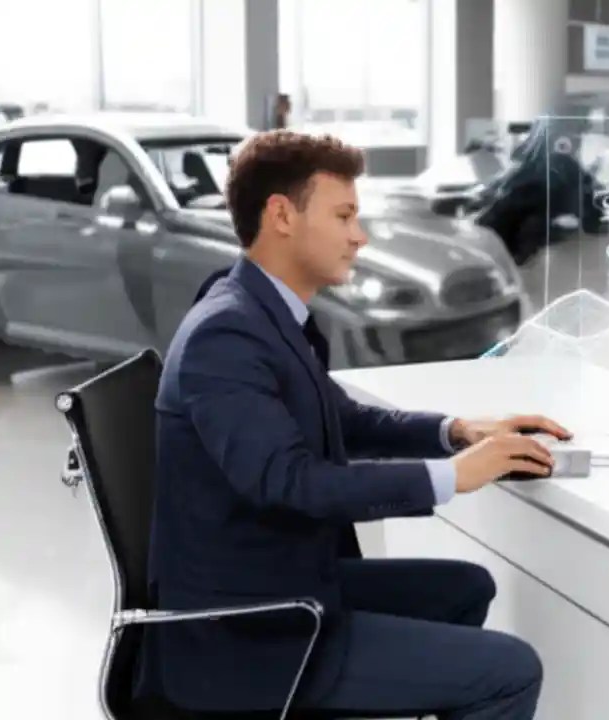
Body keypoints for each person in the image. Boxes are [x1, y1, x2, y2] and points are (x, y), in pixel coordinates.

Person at [137, 130, 568, 719]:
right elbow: (290, 481)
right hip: (251, 632)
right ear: (282, 215)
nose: (358, 235)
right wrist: (450, 477)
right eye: (343, 215)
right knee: (511, 671)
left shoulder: (259, 311)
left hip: (283, 583)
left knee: (466, 588)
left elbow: (342, 417)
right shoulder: (227, 335)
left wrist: (458, 431)